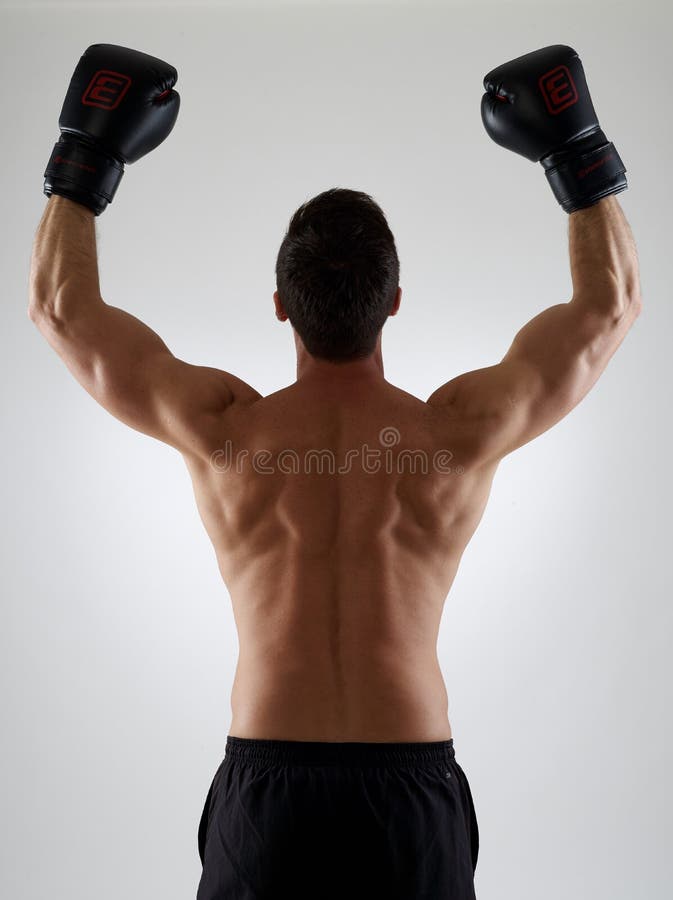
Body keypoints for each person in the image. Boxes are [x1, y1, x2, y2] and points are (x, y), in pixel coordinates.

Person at [29, 43, 641, 900]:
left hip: (267, 795)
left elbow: (62, 310)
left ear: (280, 302)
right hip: (411, 790)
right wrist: (578, 151)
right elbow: (606, 308)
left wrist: (82, 164)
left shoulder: (225, 431)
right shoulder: (454, 435)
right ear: (394, 300)